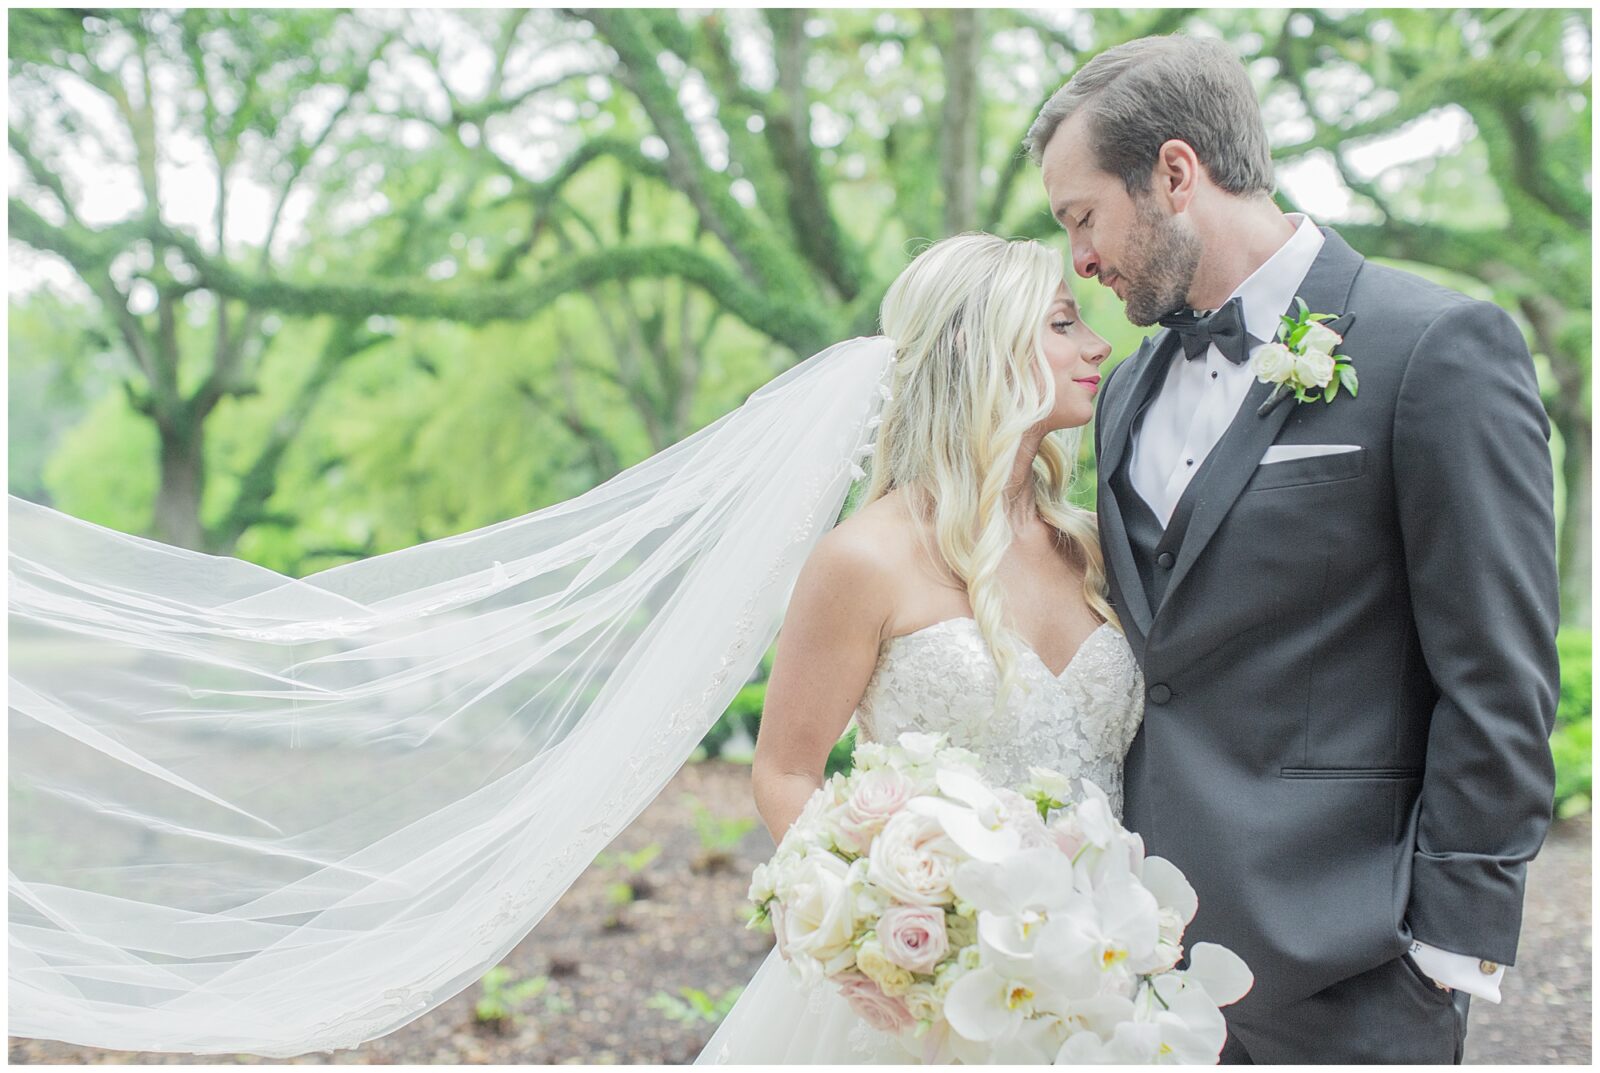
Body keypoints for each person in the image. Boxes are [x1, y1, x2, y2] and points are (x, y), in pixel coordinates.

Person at [1024, 32, 1560, 1064]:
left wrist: (1446, 949)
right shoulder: (1126, 388)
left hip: (1355, 968)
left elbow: (1499, 674)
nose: (1080, 261)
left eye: (1082, 217)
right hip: (1133, 969)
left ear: (1175, 173)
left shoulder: (1434, 348)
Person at [696, 231, 1147, 1063]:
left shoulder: (1094, 551)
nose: (1097, 344)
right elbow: (785, 772)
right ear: (983, 349)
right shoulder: (863, 558)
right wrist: (892, 914)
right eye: (1061, 323)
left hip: (1098, 982)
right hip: (927, 998)